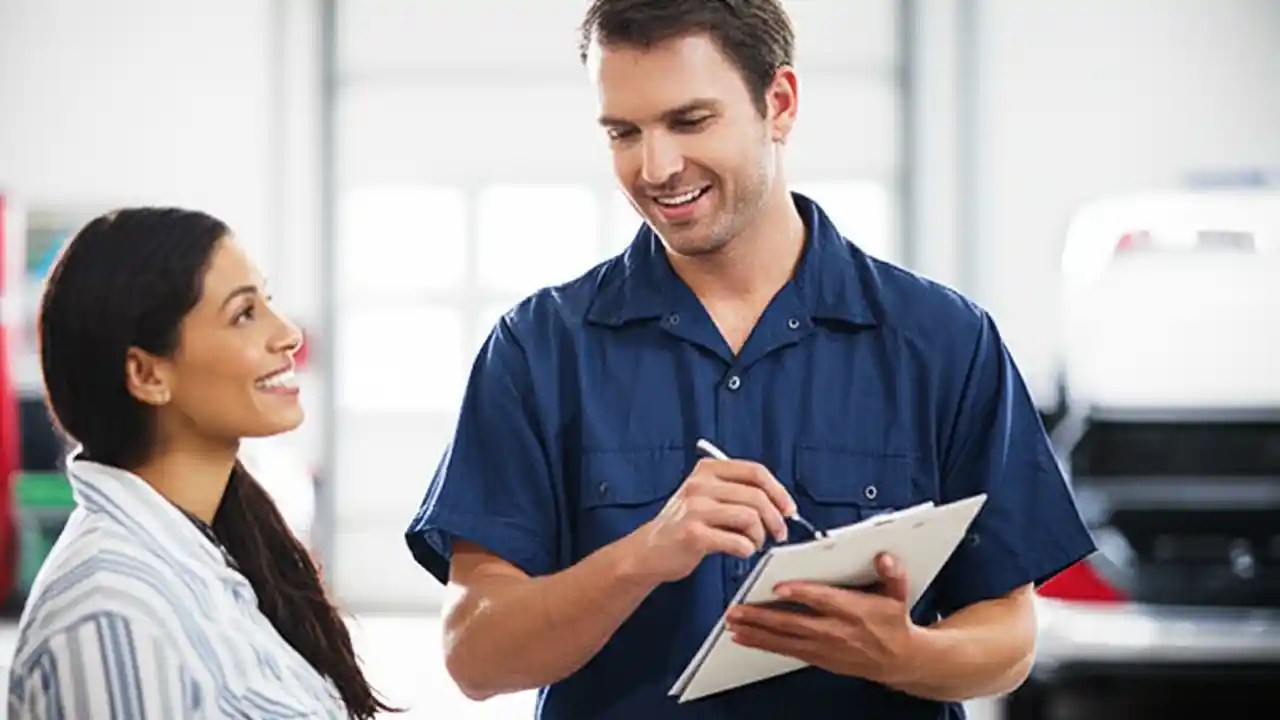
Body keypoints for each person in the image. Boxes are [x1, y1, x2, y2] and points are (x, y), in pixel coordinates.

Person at [404, 1, 1097, 717]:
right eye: (624, 132)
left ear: (780, 103)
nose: (657, 167)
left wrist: (905, 655)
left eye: (689, 121)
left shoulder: (944, 342)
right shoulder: (538, 351)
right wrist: (641, 556)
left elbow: (1009, 637)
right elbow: (476, 658)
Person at [7, 208, 395, 719]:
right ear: (146, 374)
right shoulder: (114, 616)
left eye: (268, 302)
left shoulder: (215, 550)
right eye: (243, 314)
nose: (289, 335)